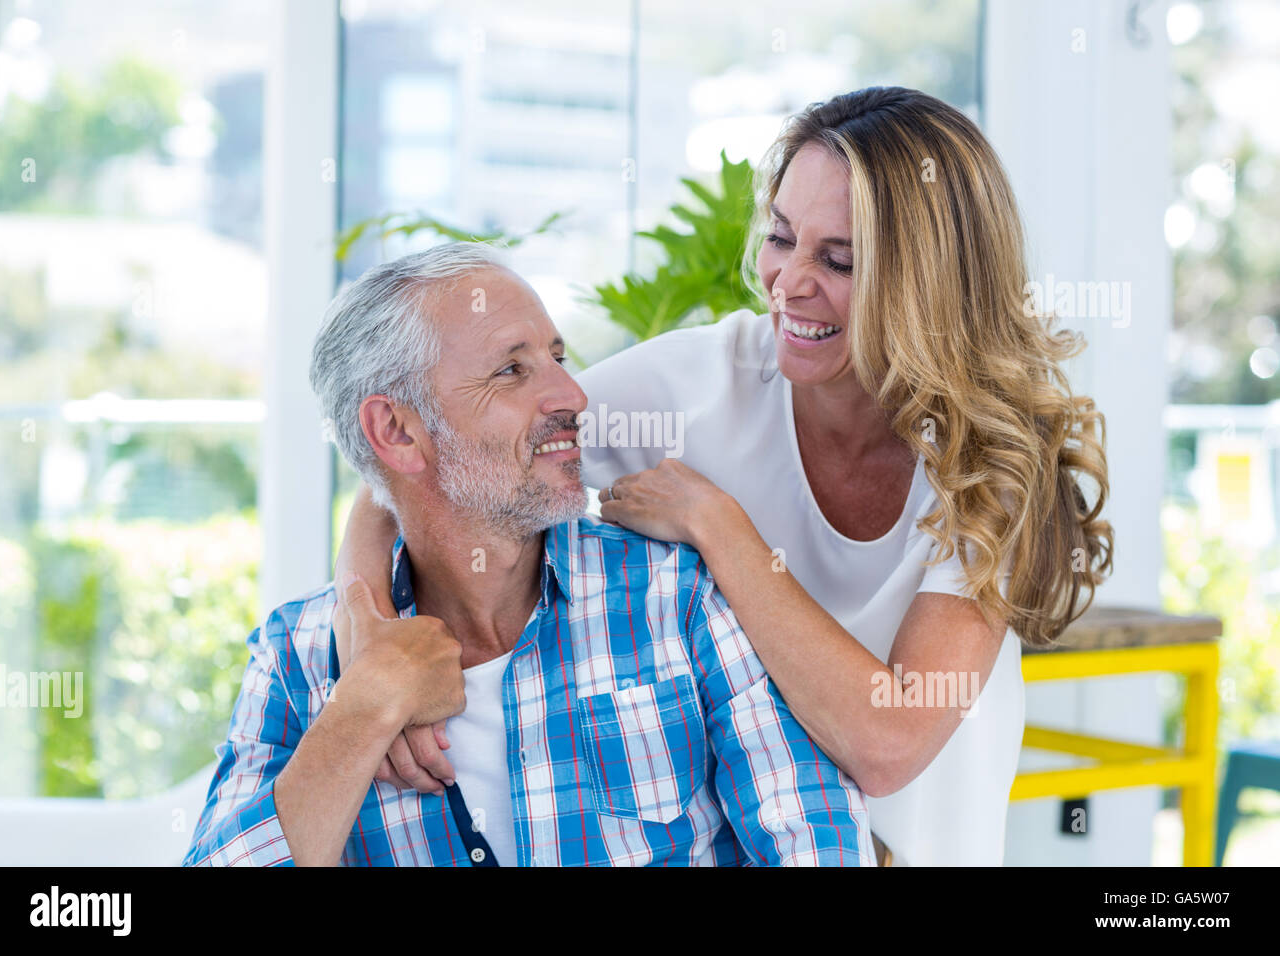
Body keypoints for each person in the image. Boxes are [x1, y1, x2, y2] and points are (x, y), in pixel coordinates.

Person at [331, 87, 1113, 866]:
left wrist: (721, 529)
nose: (788, 283)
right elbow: (416, 469)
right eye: (781, 237)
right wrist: (369, 653)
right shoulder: (696, 384)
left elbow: (889, 739)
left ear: (932, 280)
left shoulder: (992, 458)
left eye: (838, 260)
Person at [183, 243, 874, 867]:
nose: (572, 396)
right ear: (396, 430)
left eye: (558, 357)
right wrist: (363, 711)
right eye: (511, 370)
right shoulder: (298, 659)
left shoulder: (676, 596)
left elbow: (813, 836)